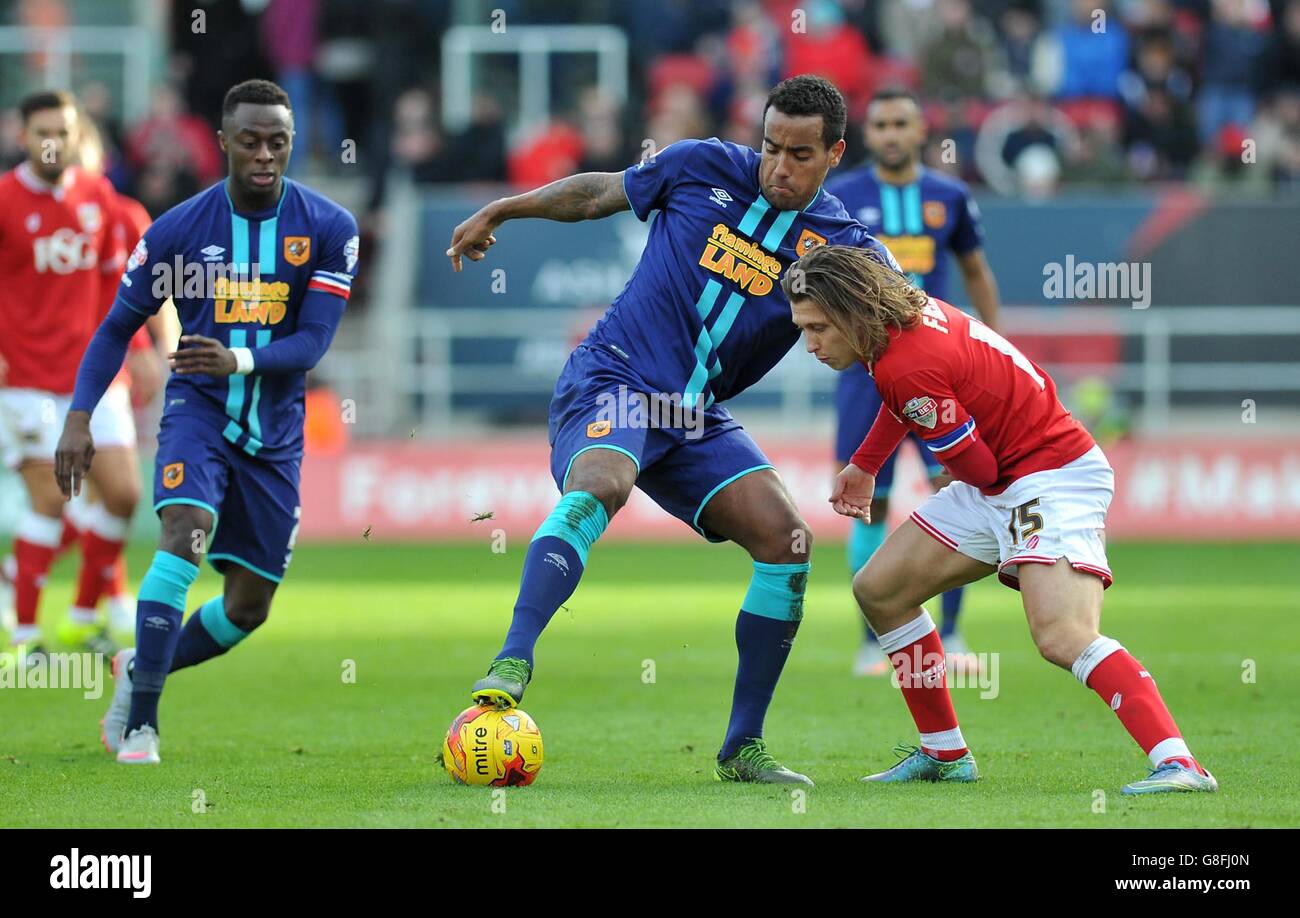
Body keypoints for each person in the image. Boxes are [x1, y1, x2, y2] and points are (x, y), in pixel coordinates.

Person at [446, 75, 899, 786]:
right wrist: (509, 207)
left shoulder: (842, 246)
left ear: (836, 152)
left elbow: (909, 321)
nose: (779, 166)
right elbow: (599, 194)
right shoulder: (700, 165)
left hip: (692, 417)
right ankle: (513, 657)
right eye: (771, 146)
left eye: (800, 155)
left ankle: (742, 747)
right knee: (605, 479)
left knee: (788, 542)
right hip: (616, 378)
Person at [785, 244, 1216, 794]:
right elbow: (911, 401)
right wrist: (867, 465)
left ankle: (1180, 763)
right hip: (1003, 476)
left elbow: (974, 462)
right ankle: (944, 754)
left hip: (1049, 475)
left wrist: (962, 482)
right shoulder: (904, 325)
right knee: (881, 588)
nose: (810, 343)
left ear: (851, 311)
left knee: (1062, 635)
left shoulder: (905, 360)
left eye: (819, 327)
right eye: (803, 327)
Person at [56, 79, 360, 765]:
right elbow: (115, 329)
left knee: (248, 608)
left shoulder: (330, 230)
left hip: (276, 434)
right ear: (223, 142)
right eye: (249, 141)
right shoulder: (175, 231)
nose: (263, 155)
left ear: (291, 143)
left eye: (277, 142)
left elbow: (312, 344)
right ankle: (143, 723)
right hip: (197, 411)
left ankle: (139, 667)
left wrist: (239, 358)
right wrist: (79, 417)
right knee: (183, 532)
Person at [826, 87, 1001, 676]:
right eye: (881, 124)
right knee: (866, 506)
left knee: (955, 494)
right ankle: (874, 642)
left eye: (902, 122)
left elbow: (977, 271)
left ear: (921, 129)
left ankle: (950, 636)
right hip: (863, 378)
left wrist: (992, 347)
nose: (892, 134)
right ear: (866, 135)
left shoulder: (949, 196)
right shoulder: (841, 197)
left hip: (940, 375)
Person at [0, 91, 134, 658]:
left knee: (124, 495)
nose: (55, 141)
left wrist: (140, 345)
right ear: (23, 136)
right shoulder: (4, 200)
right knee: (53, 501)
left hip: (94, 376)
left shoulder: (97, 195)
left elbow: (114, 281)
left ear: (80, 135)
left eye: (66, 130)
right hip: (27, 377)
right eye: (43, 131)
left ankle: (82, 616)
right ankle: (27, 637)